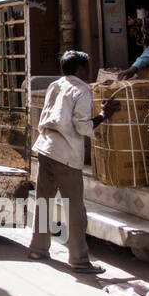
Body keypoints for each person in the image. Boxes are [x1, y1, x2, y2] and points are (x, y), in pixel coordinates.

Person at [28, 50, 120, 274]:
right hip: (65, 153)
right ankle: (79, 259)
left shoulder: (56, 85)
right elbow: (81, 125)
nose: (87, 71)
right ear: (80, 69)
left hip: (45, 147)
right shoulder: (81, 89)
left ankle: (38, 248)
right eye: (86, 67)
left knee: (44, 201)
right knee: (76, 208)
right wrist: (103, 116)